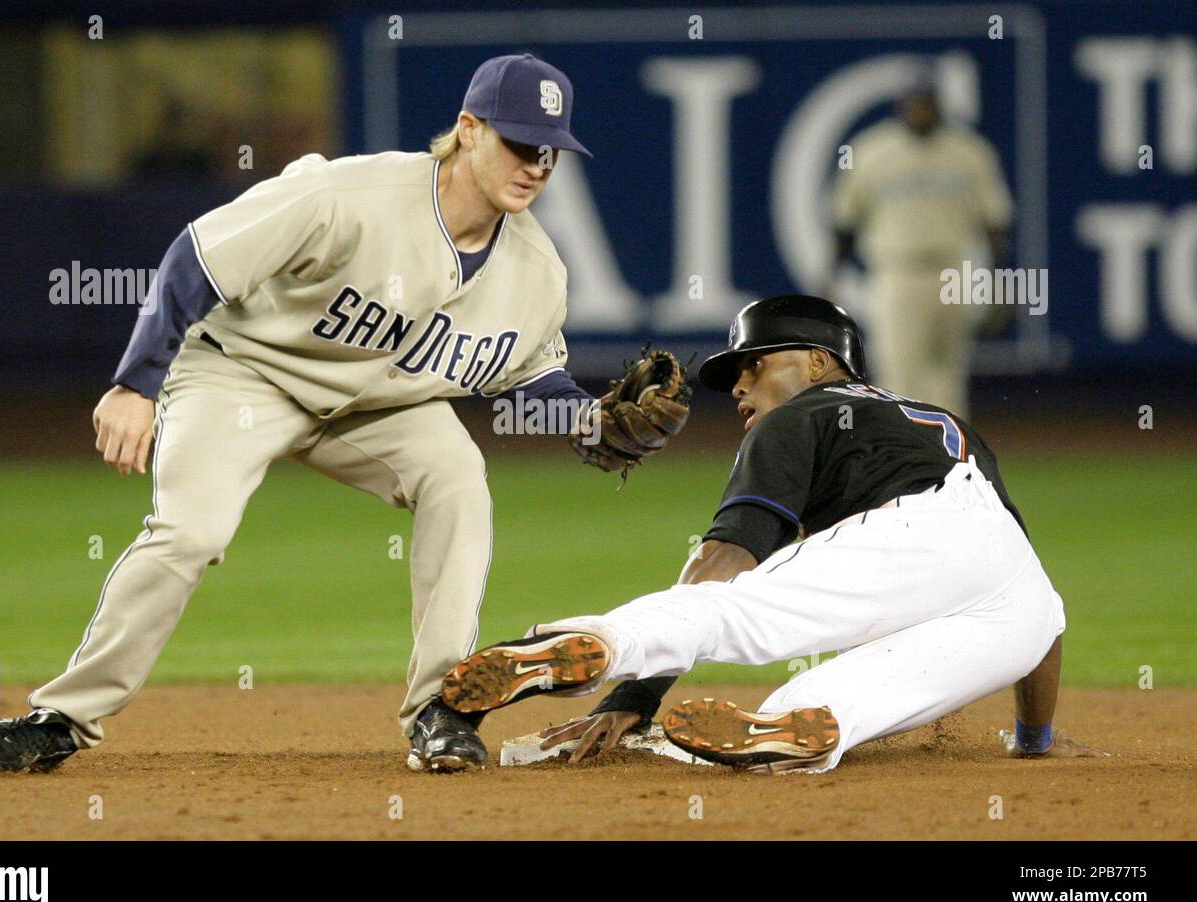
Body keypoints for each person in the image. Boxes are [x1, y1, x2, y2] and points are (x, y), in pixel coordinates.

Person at [0, 54, 643, 776]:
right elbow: (198, 258)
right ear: (468, 130)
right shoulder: (349, 193)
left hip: (377, 405)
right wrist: (136, 384)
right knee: (192, 531)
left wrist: (590, 423)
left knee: (459, 481)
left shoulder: (538, 269)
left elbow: (535, 379)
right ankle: (61, 719)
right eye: (519, 142)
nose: (536, 164)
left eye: (550, 151)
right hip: (242, 373)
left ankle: (442, 710)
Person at [439, 295, 1104, 773]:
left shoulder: (803, 414)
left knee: (732, 613)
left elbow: (723, 562)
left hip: (907, 531)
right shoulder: (938, 420)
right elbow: (1038, 611)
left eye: (755, 365)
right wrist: (1034, 737)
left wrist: (635, 694)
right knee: (865, 689)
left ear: (819, 363)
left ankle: (599, 644)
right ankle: (800, 726)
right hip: (1010, 581)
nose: (741, 386)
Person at [828, 68, 1013, 417]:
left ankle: (951, 464)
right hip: (898, 273)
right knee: (899, 376)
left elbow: (994, 223)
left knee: (950, 379)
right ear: (901, 105)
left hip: (952, 269)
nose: (922, 109)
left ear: (940, 104)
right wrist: (832, 277)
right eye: (915, 102)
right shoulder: (872, 150)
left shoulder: (969, 152)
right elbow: (845, 223)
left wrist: (1000, 284)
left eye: (928, 102)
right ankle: (904, 462)